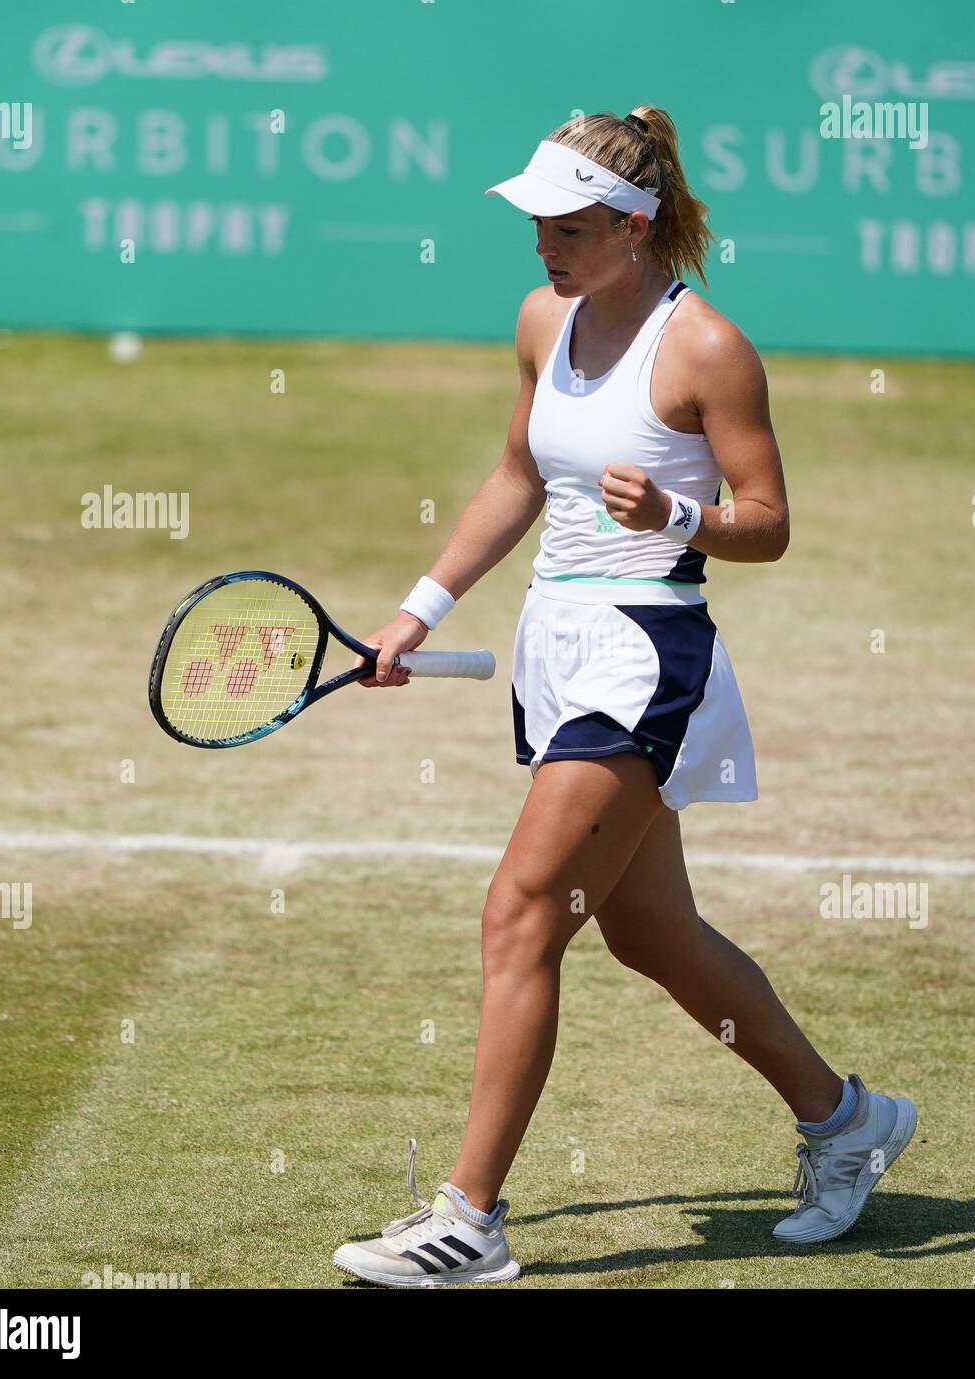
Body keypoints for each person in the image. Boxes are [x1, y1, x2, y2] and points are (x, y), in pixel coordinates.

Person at [332, 107, 916, 1287]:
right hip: (557, 643)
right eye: (537, 220)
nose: (545, 242)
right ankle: (844, 1118)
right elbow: (518, 473)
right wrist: (421, 606)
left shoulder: (706, 347)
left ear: (634, 222)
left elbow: (771, 525)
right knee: (651, 933)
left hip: (647, 656)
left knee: (520, 911)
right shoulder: (542, 319)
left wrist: (679, 516)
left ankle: (468, 1216)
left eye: (571, 222)